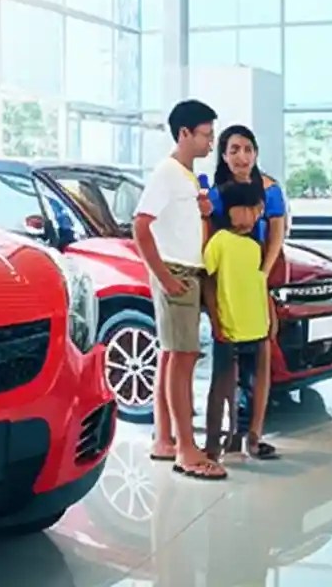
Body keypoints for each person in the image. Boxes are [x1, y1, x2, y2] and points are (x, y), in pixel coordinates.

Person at [133, 99, 222, 480]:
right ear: (184, 133)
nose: (211, 142)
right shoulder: (168, 172)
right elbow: (140, 225)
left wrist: (200, 213)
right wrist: (165, 277)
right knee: (183, 358)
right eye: (206, 134)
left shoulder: (184, 175)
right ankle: (186, 450)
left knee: (172, 357)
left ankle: (165, 439)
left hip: (185, 269)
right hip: (176, 271)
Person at [203, 125, 286, 460]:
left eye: (247, 149)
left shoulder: (271, 189)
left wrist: (261, 278)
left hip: (257, 284)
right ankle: (222, 437)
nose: (241, 156)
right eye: (234, 149)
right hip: (227, 288)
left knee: (262, 360)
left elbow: (278, 237)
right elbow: (207, 246)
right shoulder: (215, 194)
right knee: (226, 367)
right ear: (223, 154)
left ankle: (254, 434)